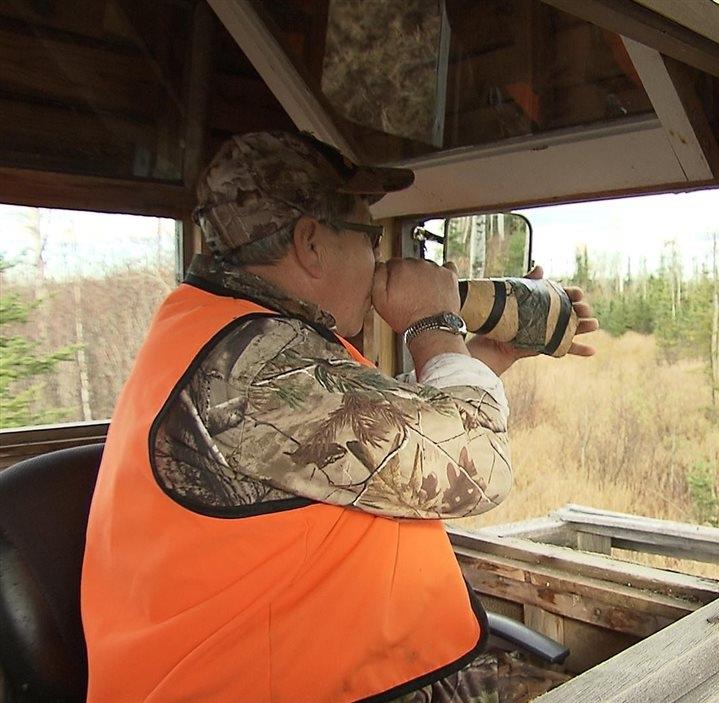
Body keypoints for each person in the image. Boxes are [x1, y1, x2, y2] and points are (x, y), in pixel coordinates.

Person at [80, 131, 596, 702]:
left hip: (343, 670)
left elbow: (359, 434)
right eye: (372, 236)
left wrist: (484, 359)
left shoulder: (231, 332)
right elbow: (475, 473)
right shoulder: (257, 368)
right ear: (311, 243)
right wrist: (433, 325)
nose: (379, 258)